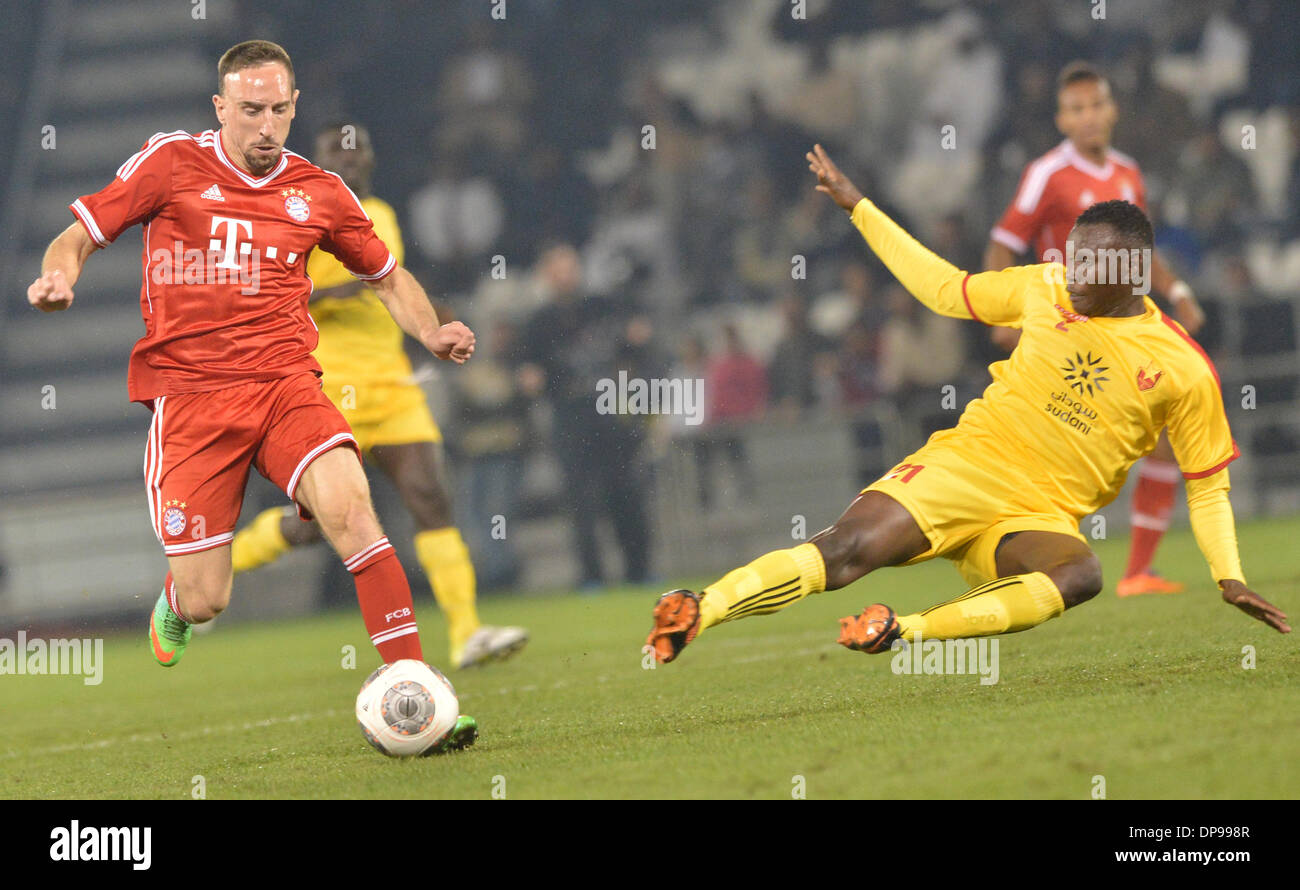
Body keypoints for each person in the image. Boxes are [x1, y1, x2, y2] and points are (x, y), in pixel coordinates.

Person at [645, 145, 1288, 665]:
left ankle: (902, 632)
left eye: (1096, 264)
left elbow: (1206, 487)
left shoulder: (1183, 368)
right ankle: (703, 606)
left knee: (1081, 574)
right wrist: (860, 208)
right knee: (845, 553)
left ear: (1138, 272)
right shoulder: (1044, 287)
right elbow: (947, 290)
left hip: (1039, 515)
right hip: (967, 467)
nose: (1077, 273)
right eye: (1075, 257)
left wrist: (1227, 576)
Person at [26, 40, 479, 748]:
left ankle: (412, 690)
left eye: (278, 110)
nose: (265, 126)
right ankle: (177, 600)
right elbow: (76, 235)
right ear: (220, 108)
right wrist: (60, 278)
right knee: (209, 599)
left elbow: (386, 275)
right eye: (249, 111)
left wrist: (432, 330)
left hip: (283, 385)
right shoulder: (171, 165)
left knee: (353, 507)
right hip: (191, 401)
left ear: (294, 106)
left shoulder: (319, 191)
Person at [228, 121, 526, 670]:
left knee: (430, 497)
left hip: (390, 384)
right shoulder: (284, 211)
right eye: (336, 151)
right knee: (315, 527)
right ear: (312, 159)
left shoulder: (382, 213)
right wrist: (337, 290)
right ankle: (228, 562)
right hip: (323, 389)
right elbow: (257, 295)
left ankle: (467, 632)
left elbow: (391, 281)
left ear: (371, 161)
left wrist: (434, 314)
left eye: (359, 150)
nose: (350, 159)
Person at [985, 61, 1208, 598]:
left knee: (1162, 439)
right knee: (1054, 456)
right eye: (1077, 109)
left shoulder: (1129, 173)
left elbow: (1141, 250)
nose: (1088, 117)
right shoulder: (1047, 173)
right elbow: (1003, 240)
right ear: (1062, 118)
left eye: (1096, 106)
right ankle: (1008, 553)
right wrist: (1001, 309)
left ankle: (1137, 573)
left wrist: (1177, 294)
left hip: (1125, 332)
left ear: (1112, 110)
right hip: (1069, 331)